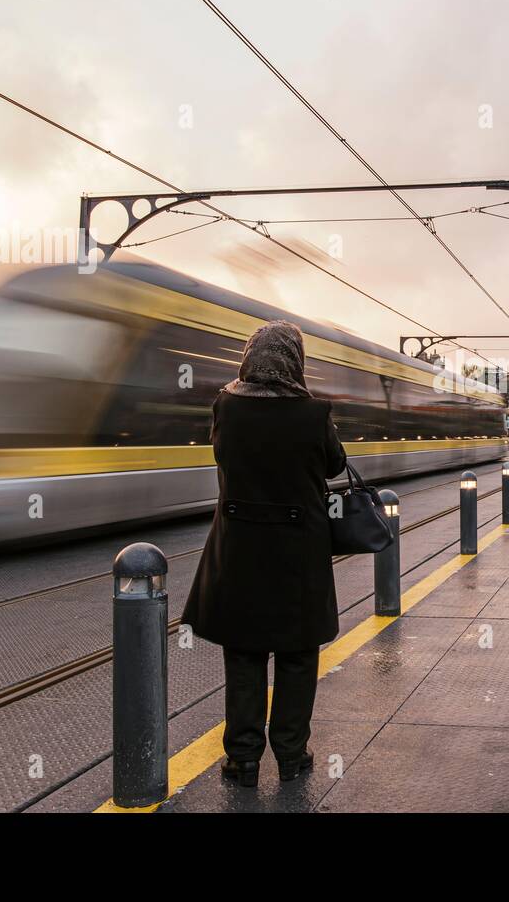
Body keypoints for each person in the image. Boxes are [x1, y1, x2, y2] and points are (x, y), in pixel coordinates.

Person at [181, 320, 347, 788]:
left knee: (245, 653)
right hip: (299, 550)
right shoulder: (314, 414)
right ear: (296, 358)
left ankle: (243, 758)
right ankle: (292, 754)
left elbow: (223, 457)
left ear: (250, 355)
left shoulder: (226, 407)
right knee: (297, 655)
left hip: (242, 548)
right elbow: (335, 464)